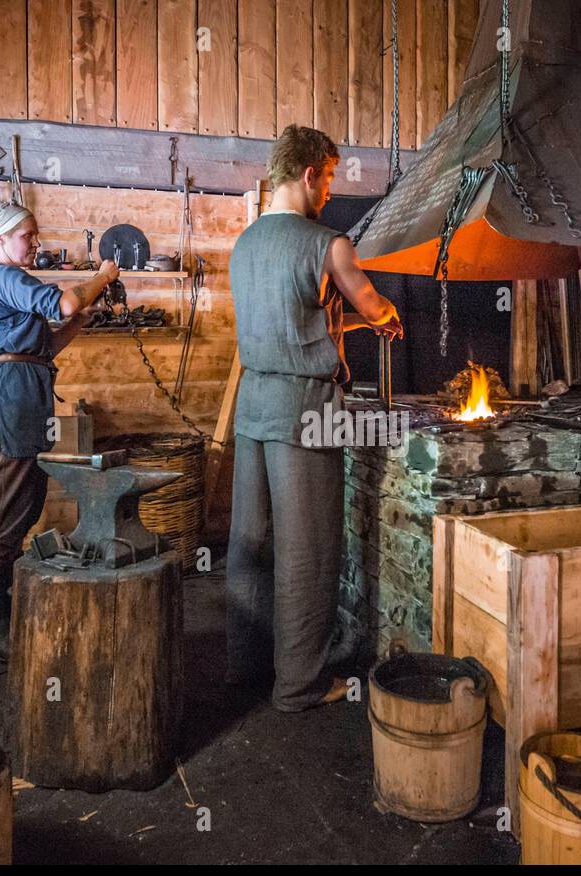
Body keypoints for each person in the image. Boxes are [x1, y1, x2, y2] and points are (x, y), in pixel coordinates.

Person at [226, 124, 403, 711]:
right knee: (308, 549)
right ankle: (298, 684)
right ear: (308, 174)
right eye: (328, 177)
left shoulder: (246, 243)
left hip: (253, 405)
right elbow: (371, 303)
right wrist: (384, 314)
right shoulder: (328, 243)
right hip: (304, 409)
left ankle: (246, 664)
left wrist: (345, 321)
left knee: (251, 542)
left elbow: (295, 318)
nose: (329, 189)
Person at [0, 201, 119, 632]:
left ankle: (1, 605)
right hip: (10, 400)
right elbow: (63, 304)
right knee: (4, 507)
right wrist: (102, 277)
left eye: (34, 234)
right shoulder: (5, 276)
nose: (35, 242)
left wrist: (82, 319)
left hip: (26, 395)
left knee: (24, 504)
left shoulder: (10, 283)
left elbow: (45, 346)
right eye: (26, 235)